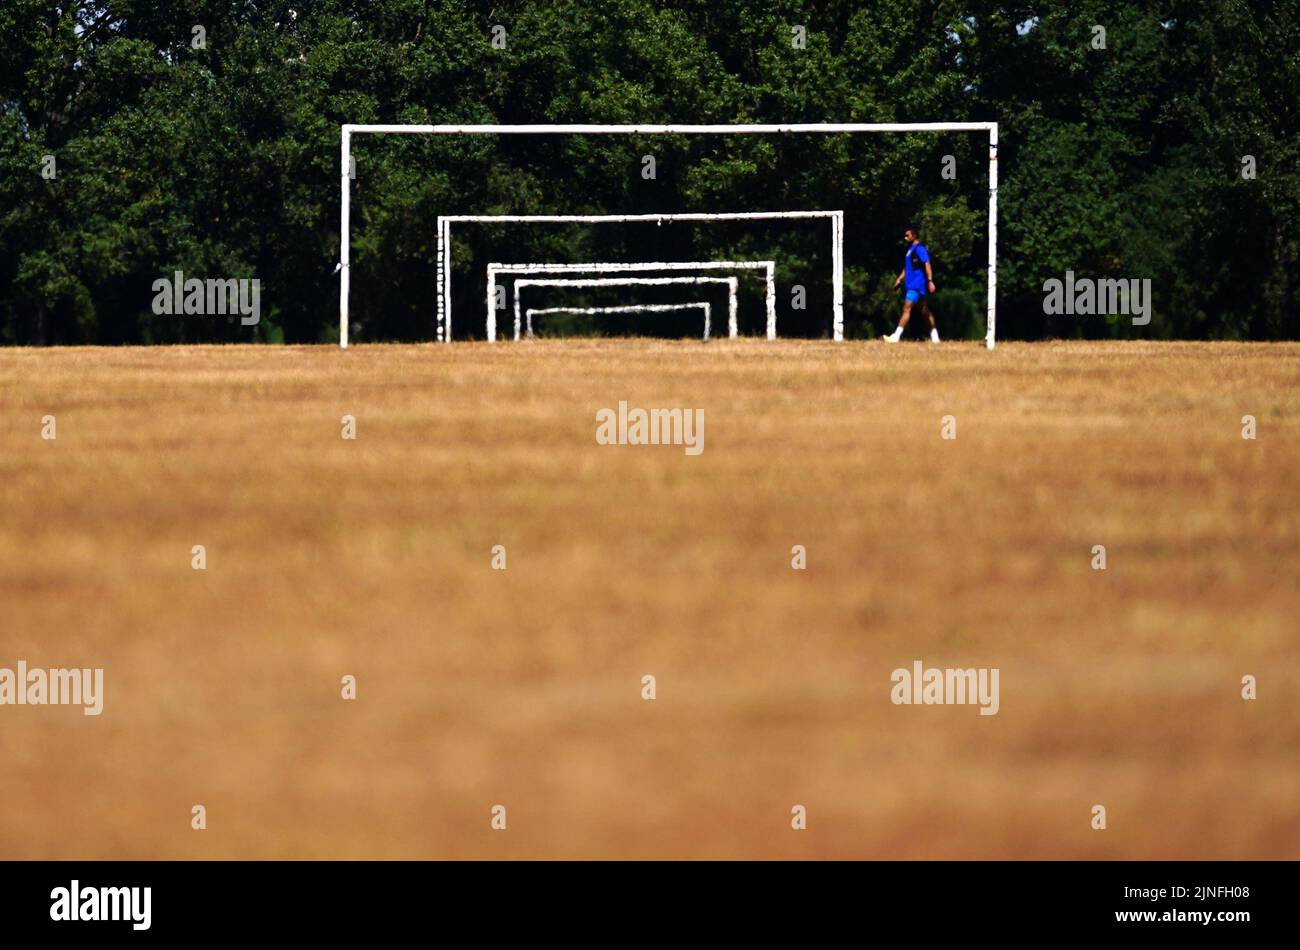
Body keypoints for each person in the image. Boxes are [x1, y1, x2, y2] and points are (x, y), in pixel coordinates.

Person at [883, 225, 939, 343]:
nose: (905, 237)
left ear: (914, 235)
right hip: (912, 284)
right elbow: (907, 267)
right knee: (925, 312)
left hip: (917, 285)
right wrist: (899, 279)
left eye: (907, 235)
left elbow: (927, 264)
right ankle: (935, 338)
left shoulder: (919, 248)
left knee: (906, 309)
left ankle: (896, 336)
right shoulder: (910, 250)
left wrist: (930, 281)